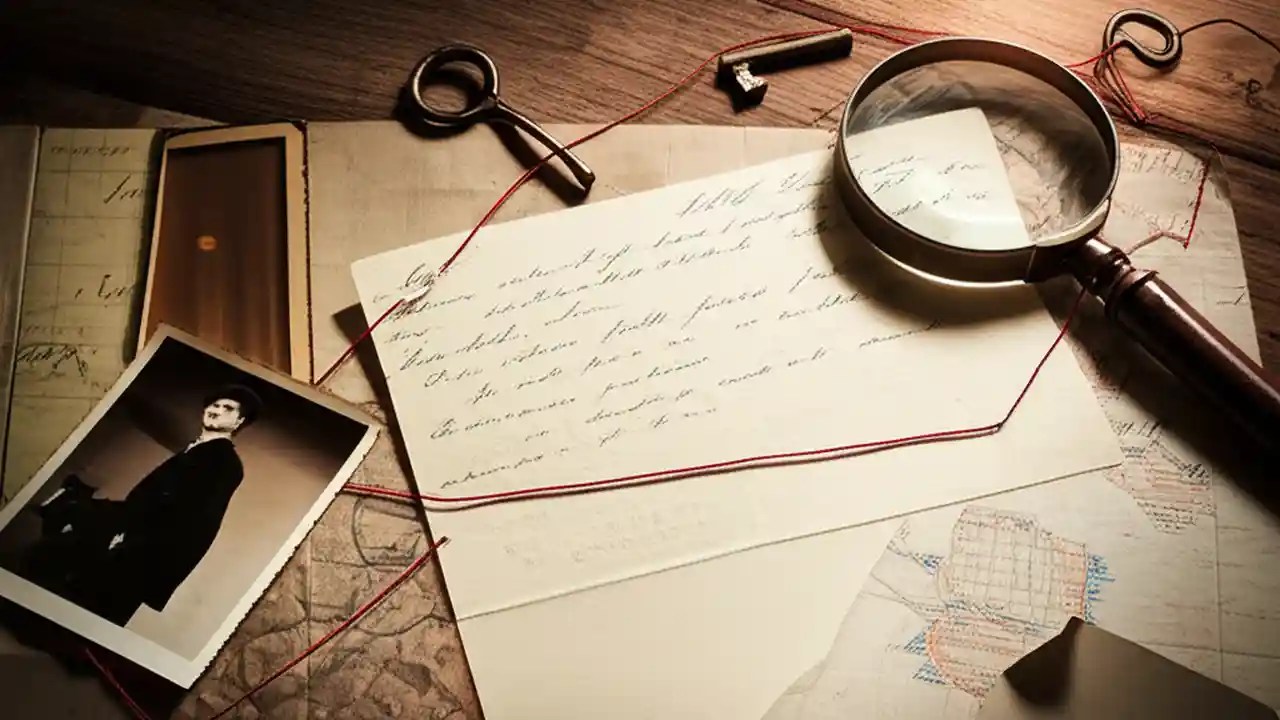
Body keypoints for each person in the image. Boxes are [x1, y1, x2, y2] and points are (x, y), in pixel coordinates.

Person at [21, 383, 262, 627]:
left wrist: (128, 539)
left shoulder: (225, 463)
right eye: (214, 404)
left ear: (239, 421)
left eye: (227, 408)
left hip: (142, 552)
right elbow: (148, 501)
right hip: (127, 536)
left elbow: (195, 521)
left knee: (88, 616)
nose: (216, 410)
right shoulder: (194, 450)